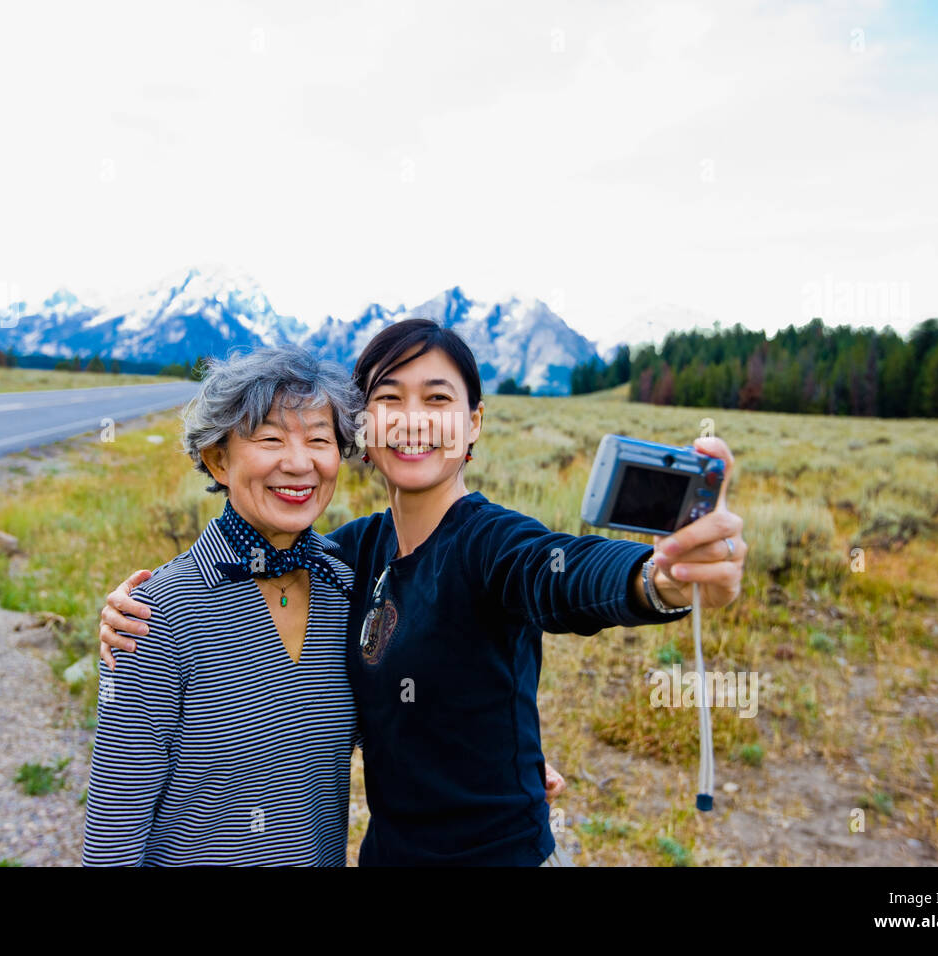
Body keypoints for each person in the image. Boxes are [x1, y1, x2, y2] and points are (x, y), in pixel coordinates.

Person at [100, 319, 748, 866]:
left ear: (472, 426)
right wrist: (138, 606)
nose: (413, 421)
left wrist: (659, 579)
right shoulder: (345, 557)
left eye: (438, 400)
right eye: (390, 398)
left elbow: (562, 571)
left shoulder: (491, 543)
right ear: (364, 427)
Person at [82, 345, 364, 865]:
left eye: (319, 440)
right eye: (271, 438)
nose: (299, 463)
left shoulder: (345, 588)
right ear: (218, 459)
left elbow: (401, 726)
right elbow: (113, 832)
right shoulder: (155, 614)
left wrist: (511, 760)